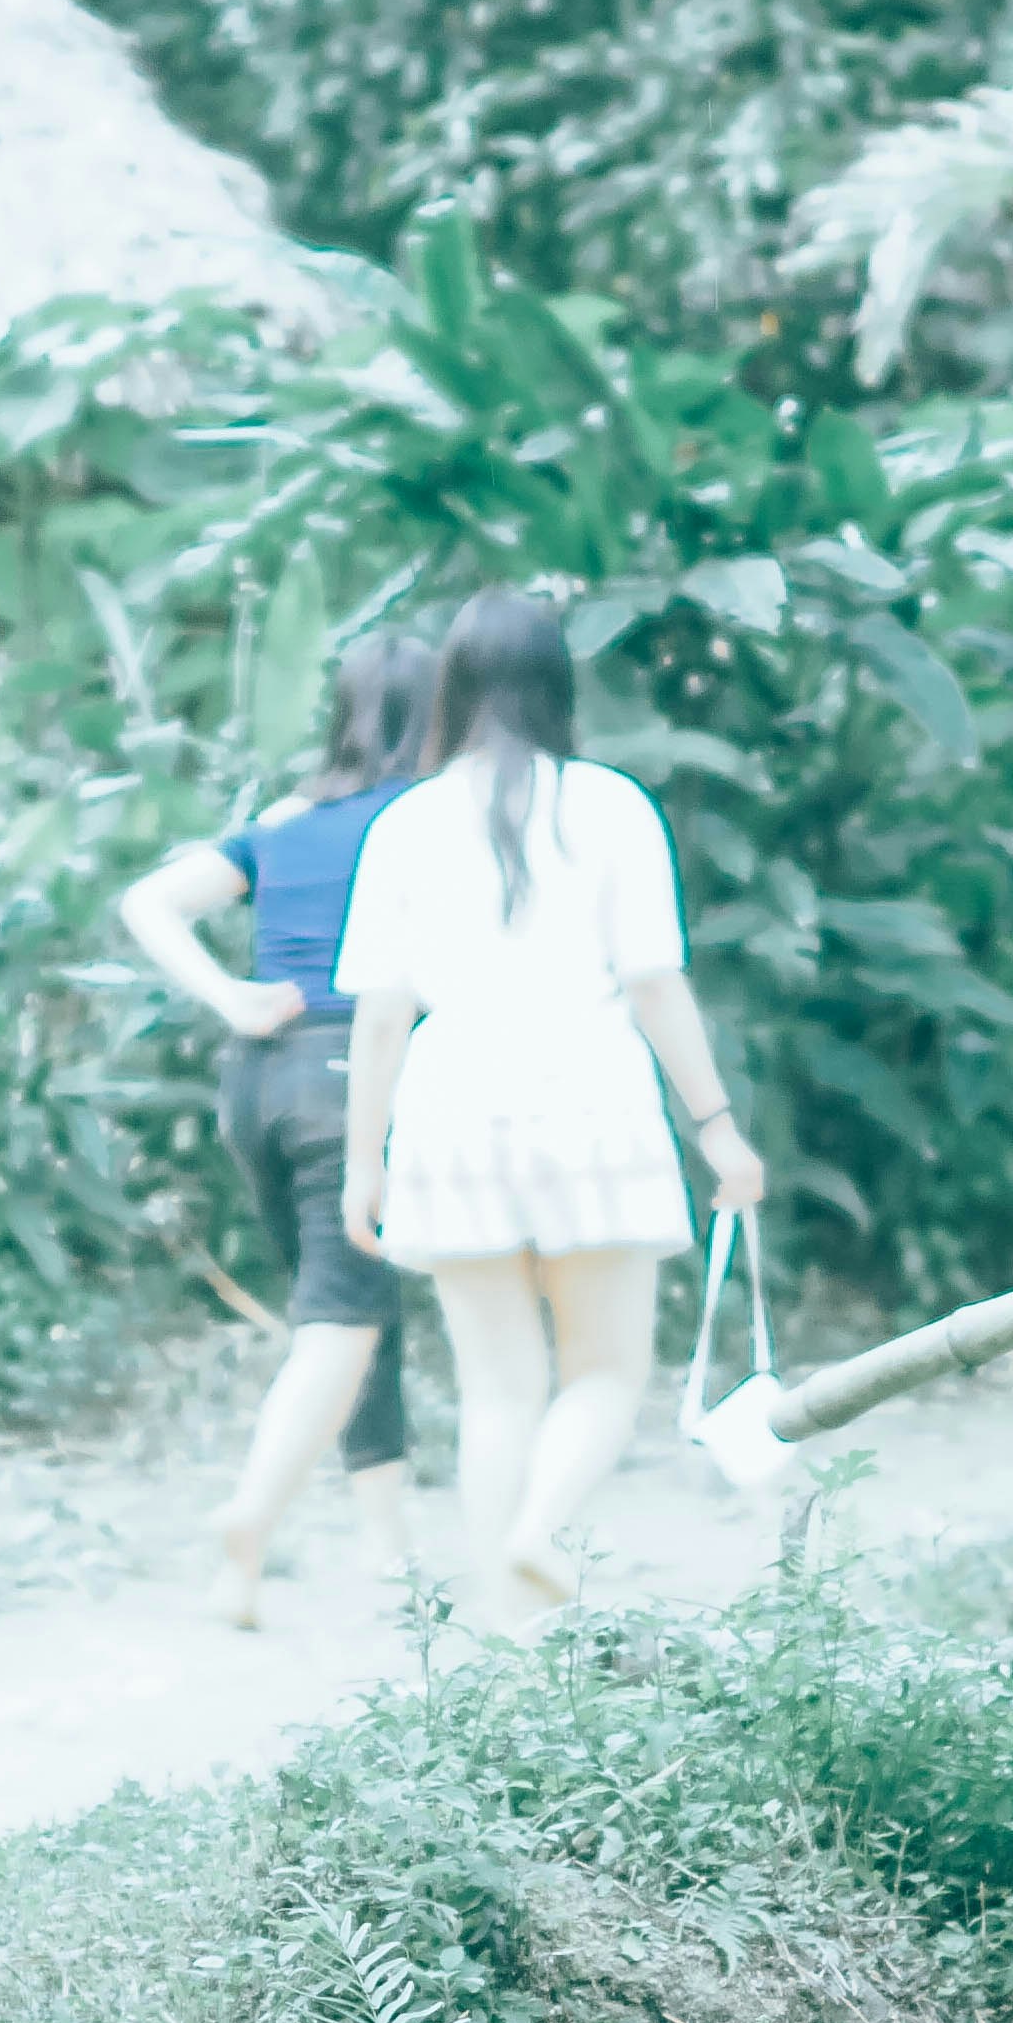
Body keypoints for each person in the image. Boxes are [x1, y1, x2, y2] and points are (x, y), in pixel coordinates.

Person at [336, 590, 764, 1631]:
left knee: (496, 1390)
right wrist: (716, 1125)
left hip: (450, 1107)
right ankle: (543, 1531)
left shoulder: (405, 821)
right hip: (593, 1096)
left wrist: (364, 1161)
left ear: (453, 687)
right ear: (560, 683)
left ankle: (508, 1630)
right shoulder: (613, 806)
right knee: (608, 1371)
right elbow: (657, 983)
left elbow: (382, 1016)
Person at [115, 628, 436, 1622]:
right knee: (343, 1316)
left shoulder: (288, 821)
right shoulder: (430, 820)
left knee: (351, 1312)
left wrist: (231, 998)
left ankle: (386, 1561)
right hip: (354, 1080)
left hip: (258, 1083)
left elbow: (148, 900)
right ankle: (250, 1515)